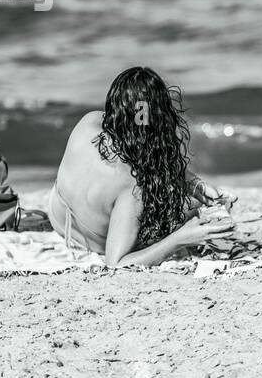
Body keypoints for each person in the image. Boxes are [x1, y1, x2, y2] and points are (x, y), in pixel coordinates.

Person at [48, 67, 231, 266]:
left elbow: (140, 132)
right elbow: (116, 262)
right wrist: (181, 238)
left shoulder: (90, 121)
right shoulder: (132, 186)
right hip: (88, 241)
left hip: (57, 216)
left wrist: (196, 185)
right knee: (190, 210)